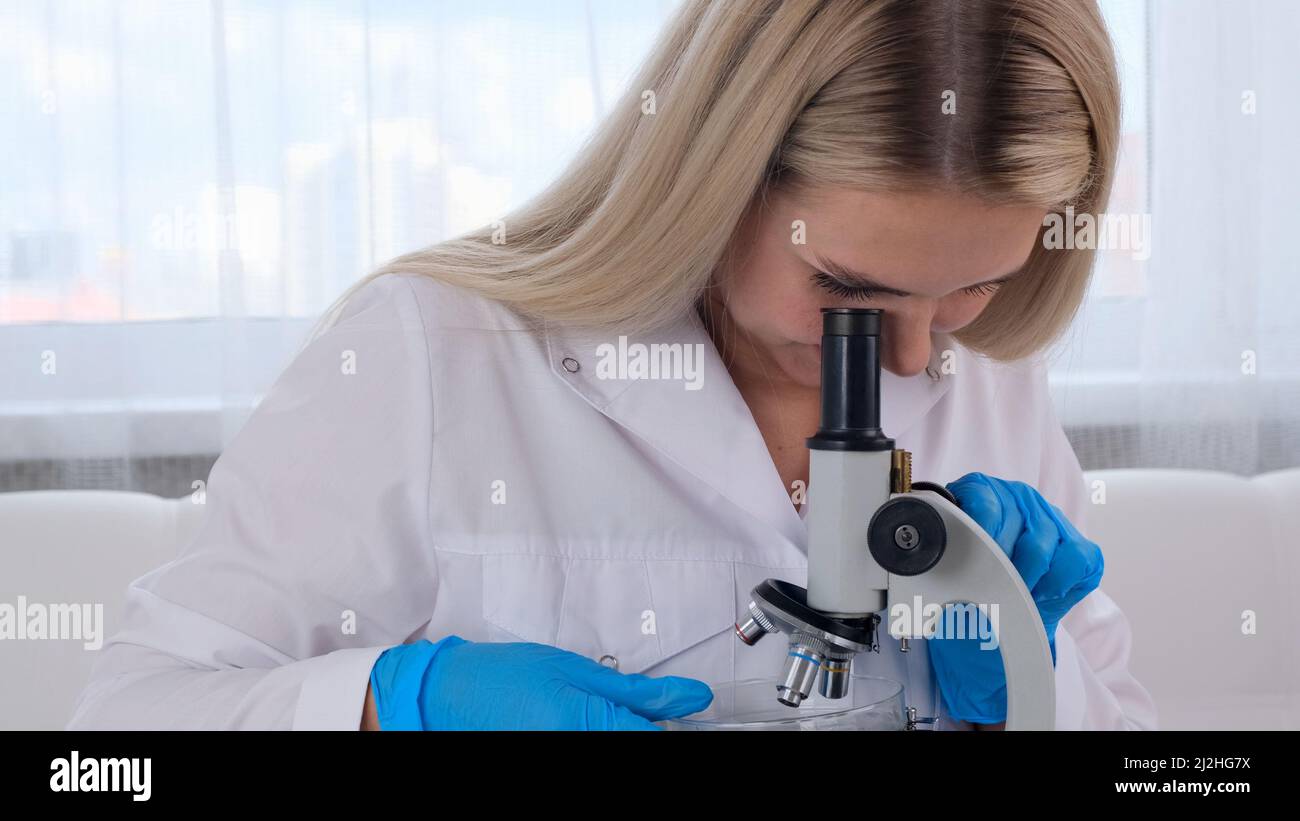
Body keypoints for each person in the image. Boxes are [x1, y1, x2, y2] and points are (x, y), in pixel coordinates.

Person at [69, 0, 1156, 731]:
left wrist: (1029, 674)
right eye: (848, 294)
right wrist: (393, 701)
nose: (918, 354)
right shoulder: (435, 355)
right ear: (715, 175)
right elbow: (113, 732)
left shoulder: (989, 379)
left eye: (973, 286)